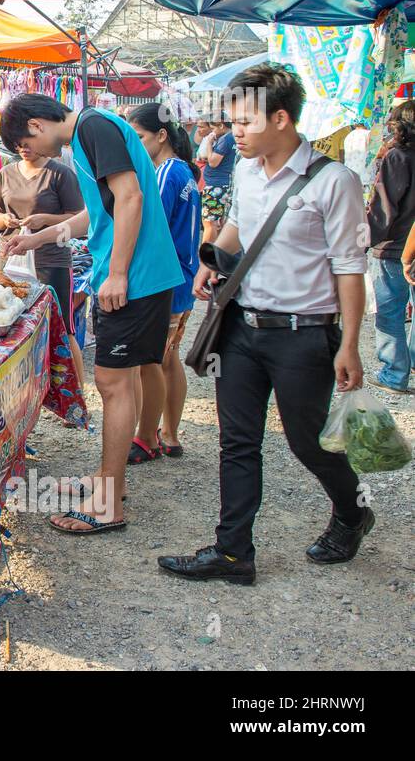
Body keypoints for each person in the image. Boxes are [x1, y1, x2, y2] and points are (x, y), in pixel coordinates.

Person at [159, 64, 369, 585]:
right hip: (240, 329)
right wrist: (212, 259)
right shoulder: (247, 171)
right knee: (237, 441)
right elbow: (238, 223)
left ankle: (353, 511)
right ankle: (233, 553)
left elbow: (350, 267)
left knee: (308, 441)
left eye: (245, 122)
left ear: (281, 118)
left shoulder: (334, 181)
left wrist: (350, 345)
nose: (234, 132)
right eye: (231, 122)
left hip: (304, 334)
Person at [0, 94, 183, 536]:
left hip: (135, 277)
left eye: (25, 143)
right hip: (137, 274)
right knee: (124, 380)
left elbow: (131, 197)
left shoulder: (93, 127)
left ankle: (108, 504)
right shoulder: (88, 135)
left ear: (37, 124)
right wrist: (39, 238)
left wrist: (117, 273)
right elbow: (95, 214)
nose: (30, 152)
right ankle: (108, 479)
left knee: (111, 384)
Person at [126, 103, 201, 462]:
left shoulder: (165, 173)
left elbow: (145, 227)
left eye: (139, 137)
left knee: (151, 362)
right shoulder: (183, 170)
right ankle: (169, 434)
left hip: (165, 279)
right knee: (169, 359)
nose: (135, 145)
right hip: (183, 277)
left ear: (160, 135)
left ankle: (147, 438)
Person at [0, 144, 85, 389]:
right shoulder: (6, 173)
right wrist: (5, 219)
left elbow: (78, 218)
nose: (24, 147)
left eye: (28, 141)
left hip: (51, 261)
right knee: (14, 327)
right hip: (10, 261)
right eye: (18, 143)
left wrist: (46, 220)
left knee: (63, 328)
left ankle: (76, 393)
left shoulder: (61, 174)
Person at [366, 100, 415, 392]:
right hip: (405, 244)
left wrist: (363, 240)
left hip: (396, 246)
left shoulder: (398, 157)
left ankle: (394, 374)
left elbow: (384, 208)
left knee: (390, 312)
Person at [198, 115, 235, 243]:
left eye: (213, 128)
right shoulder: (231, 138)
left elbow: (213, 162)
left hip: (216, 186)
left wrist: (209, 143)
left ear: (221, 125)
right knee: (217, 223)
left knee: (209, 223)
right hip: (223, 184)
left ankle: (206, 253)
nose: (212, 132)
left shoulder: (225, 139)